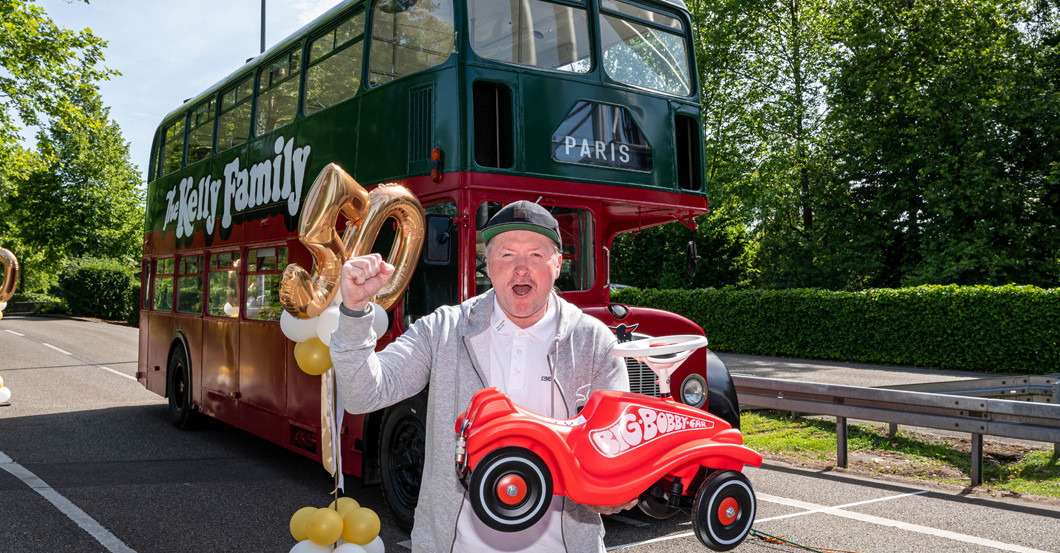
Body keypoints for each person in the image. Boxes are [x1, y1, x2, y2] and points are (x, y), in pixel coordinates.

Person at [331, 200, 636, 552]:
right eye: (506, 255)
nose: (521, 268)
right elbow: (362, 395)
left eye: (536, 255)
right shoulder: (443, 329)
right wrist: (354, 312)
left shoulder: (594, 341)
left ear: (557, 265)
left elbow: (614, 448)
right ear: (488, 265)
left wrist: (617, 486)